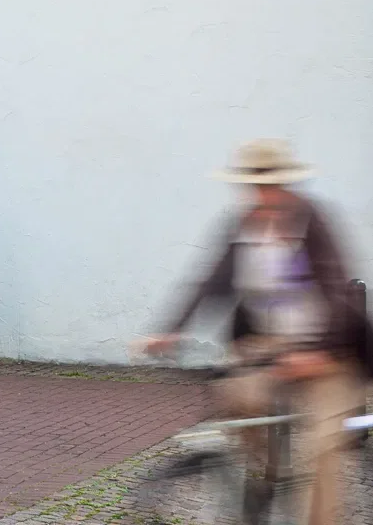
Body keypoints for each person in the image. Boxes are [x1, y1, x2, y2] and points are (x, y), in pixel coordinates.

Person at [141, 140, 368, 525]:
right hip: (269, 344)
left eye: (273, 185)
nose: (264, 194)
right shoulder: (242, 225)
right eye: (255, 186)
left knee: (321, 446)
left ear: (287, 185)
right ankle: (269, 474)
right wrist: (171, 331)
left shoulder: (314, 220)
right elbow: (211, 280)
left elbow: (335, 289)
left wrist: (318, 353)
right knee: (235, 395)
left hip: (331, 349)